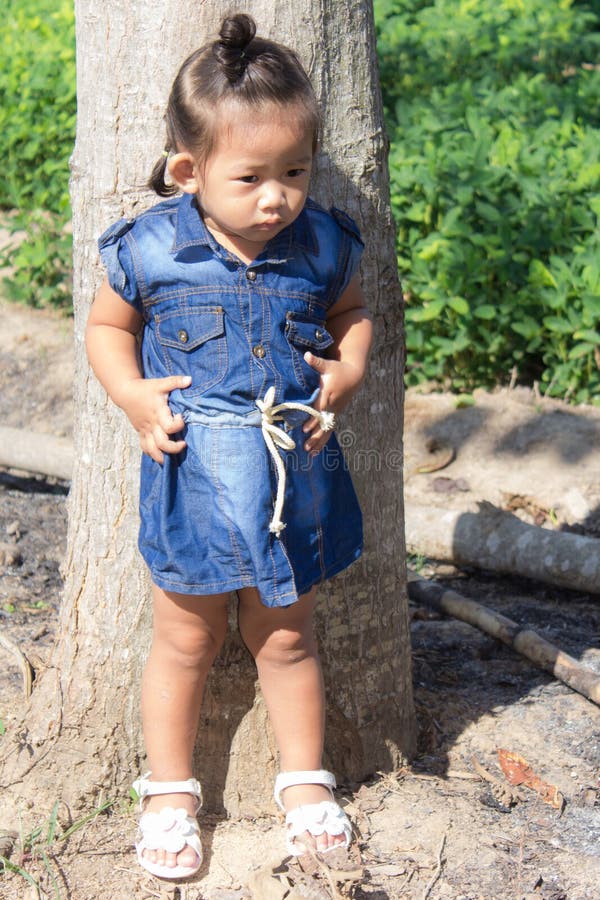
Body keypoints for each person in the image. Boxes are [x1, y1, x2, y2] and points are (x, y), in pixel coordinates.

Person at [86, 11, 372, 881]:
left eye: (295, 171)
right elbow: (107, 328)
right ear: (188, 169)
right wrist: (134, 398)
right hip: (194, 472)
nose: (277, 196)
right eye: (250, 177)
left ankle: (304, 782)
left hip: (296, 471)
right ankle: (170, 791)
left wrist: (348, 372)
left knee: (287, 636)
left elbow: (353, 313)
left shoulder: (322, 242)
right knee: (185, 638)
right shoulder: (153, 249)